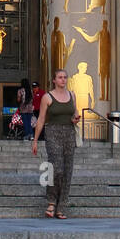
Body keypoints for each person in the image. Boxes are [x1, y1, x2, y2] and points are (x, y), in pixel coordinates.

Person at [31, 69, 80, 219]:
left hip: (69, 134)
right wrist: (35, 140)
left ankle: (61, 206)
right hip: (52, 133)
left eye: (65, 77)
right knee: (56, 167)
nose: (63, 80)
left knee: (67, 170)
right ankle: (51, 201)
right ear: (54, 80)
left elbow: (75, 113)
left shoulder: (72, 95)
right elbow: (41, 119)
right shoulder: (47, 97)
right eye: (60, 77)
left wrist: (75, 119)